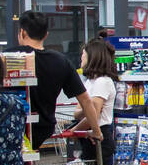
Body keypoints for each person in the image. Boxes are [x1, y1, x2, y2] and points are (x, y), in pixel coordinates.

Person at [13, 10, 102, 154]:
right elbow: (86, 100)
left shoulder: (9, 58)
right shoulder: (60, 61)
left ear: (22, 33)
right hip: (43, 130)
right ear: (46, 35)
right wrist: (96, 132)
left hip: (14, 128)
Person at [76, 38, 120, 165]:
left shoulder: (102, 82)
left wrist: (74, 130)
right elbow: (77, 113)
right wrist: (88, 109)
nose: (81, 57)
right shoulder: (89, 82)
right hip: (90, 136)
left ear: (93, 56)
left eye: (83, 53)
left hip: (99, 139)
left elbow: (93, 113)